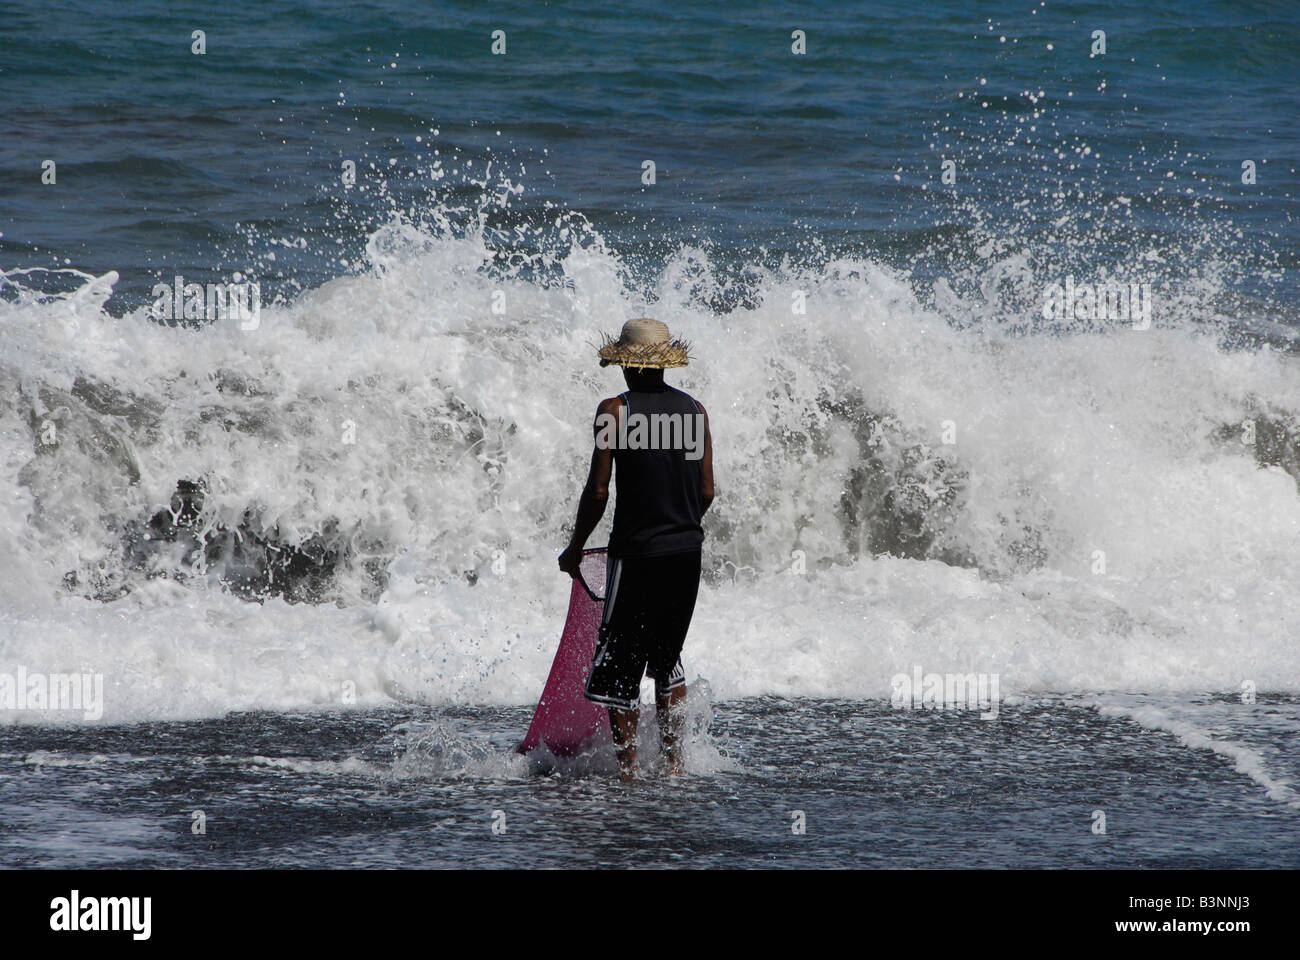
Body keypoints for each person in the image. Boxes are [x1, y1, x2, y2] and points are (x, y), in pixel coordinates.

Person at [557, 318, 714, 780]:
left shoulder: (615, 412)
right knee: (666, 660)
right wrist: (677, 528)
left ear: (626, 362)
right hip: (686, 553)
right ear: (664, 363)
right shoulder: (695, 412)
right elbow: (706, 491)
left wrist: (574, 548)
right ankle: (674, 766)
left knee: (621, 662)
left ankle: (627, 771)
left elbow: (599, 492)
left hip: (638, 557)